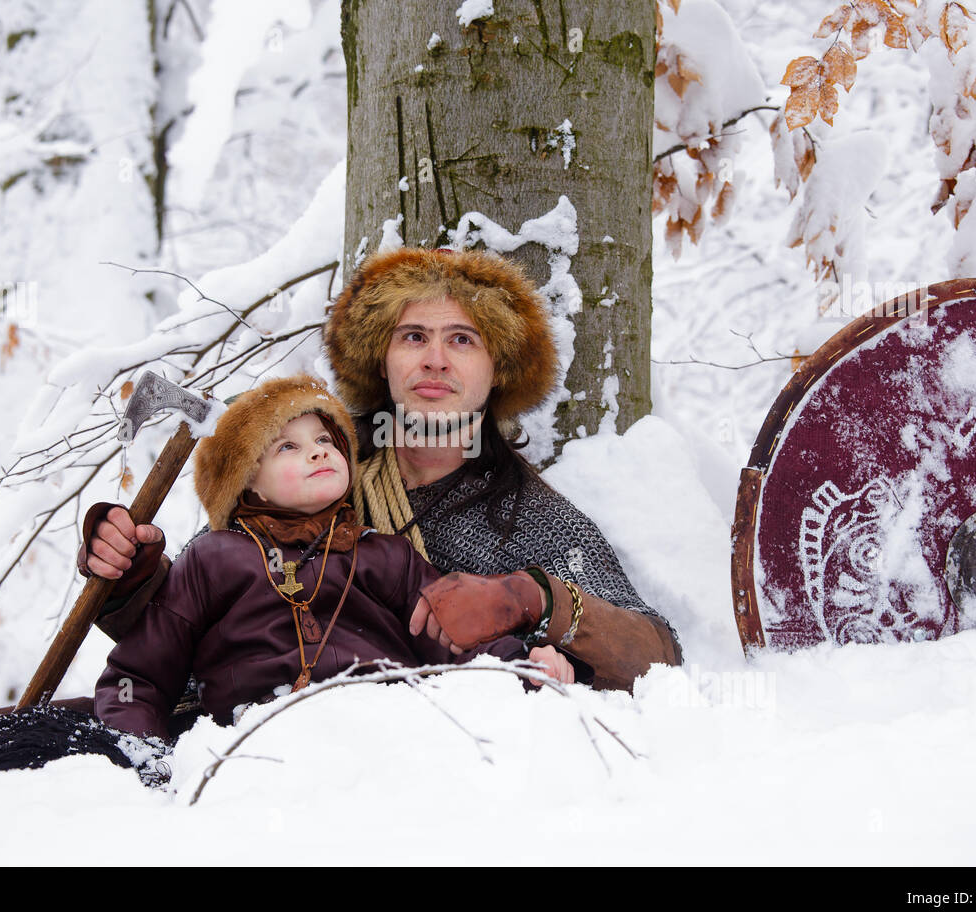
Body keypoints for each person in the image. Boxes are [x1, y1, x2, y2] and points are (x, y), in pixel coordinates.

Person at [87, 247, 680, 704]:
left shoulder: (532, 515)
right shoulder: (312, 467)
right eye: (413, 336)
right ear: (383, 359)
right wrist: (134, 575)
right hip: (236, 742)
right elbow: (188, 622)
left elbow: (659, 657)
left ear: (496, 370)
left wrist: (530, 597)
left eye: (463, 340)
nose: (435, 359)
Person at [92, 373, 574, 740]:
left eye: (325, 440)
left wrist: (519, 663)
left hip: (387, 732)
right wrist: (142, 759)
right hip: (257, 745)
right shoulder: (212, 559)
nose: (318, 453)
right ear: (245, 480)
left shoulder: (386, 555)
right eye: (288, 446)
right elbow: (138, 677)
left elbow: (454, 640)